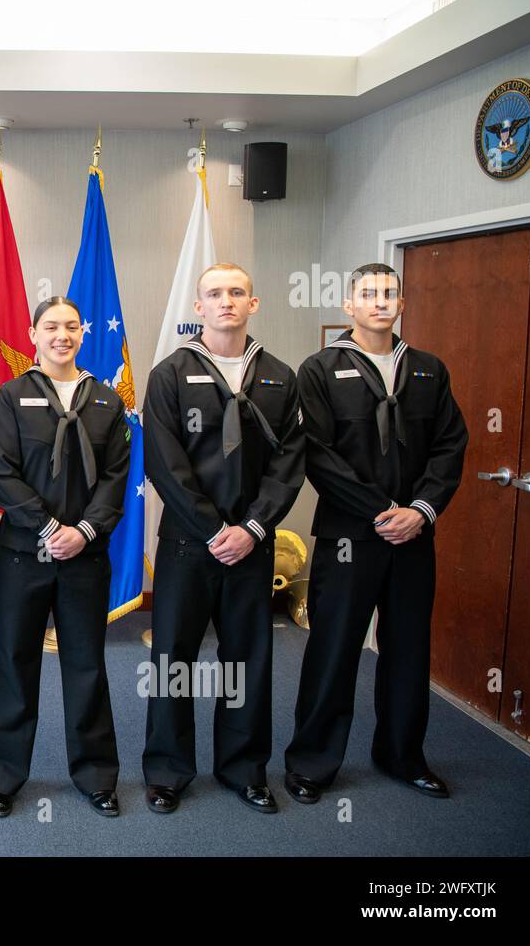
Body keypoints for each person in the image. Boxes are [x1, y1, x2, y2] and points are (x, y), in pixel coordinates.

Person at [284, 263, 468, 803]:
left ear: (402, 303)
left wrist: (421, 510)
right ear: (349, 305)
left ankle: (402, 755)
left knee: (408, 649)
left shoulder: (429, 370)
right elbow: (317, 452)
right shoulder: (319, 370)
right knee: (334, 648)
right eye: (369, 293)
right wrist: (381, 509)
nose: (380, 301)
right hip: (350, 535)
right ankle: (312, 763)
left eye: (390, 293)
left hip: (414, 537)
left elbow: (449, 446)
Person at [142, 263, 304, 815]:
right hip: (190, 545)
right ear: (199, 305)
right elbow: (165, 465)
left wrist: (253, 528)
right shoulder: (169, 374)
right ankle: (167, 770)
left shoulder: (282, 376)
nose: (227, 301)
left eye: (237, 292)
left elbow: (289, 463)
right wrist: (214, 530)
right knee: (173, 660)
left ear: (253, 304)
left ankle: (243, 769)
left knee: (247, 659)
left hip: (253, 544)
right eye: (215, 293)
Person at [0, 296, 130, 818]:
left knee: (86, 665)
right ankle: (2, 776)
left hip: (86, 556)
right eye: (51, 327)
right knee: (15, 662)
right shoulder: (11, 398)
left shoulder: (106, 400)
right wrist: (47, 528)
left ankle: (95, 775)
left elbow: (116, 478)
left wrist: (82, 532)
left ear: (82, 334)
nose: (62, 335)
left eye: (71, 326)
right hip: (24, 553)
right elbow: (2, 474)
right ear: (33, 334)